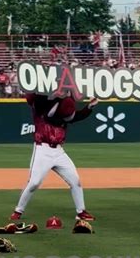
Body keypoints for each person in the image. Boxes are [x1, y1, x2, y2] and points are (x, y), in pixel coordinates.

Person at [10, 93, 98, 221]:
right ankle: (18, 211)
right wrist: (55, 95)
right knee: (34, 183)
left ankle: (81, 212)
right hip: (42, 149)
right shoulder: (42, 106)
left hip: (59, 151)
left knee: (75, 181)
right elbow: (37, 102)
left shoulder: (63, 111)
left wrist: (89, 107)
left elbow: (74, 117)